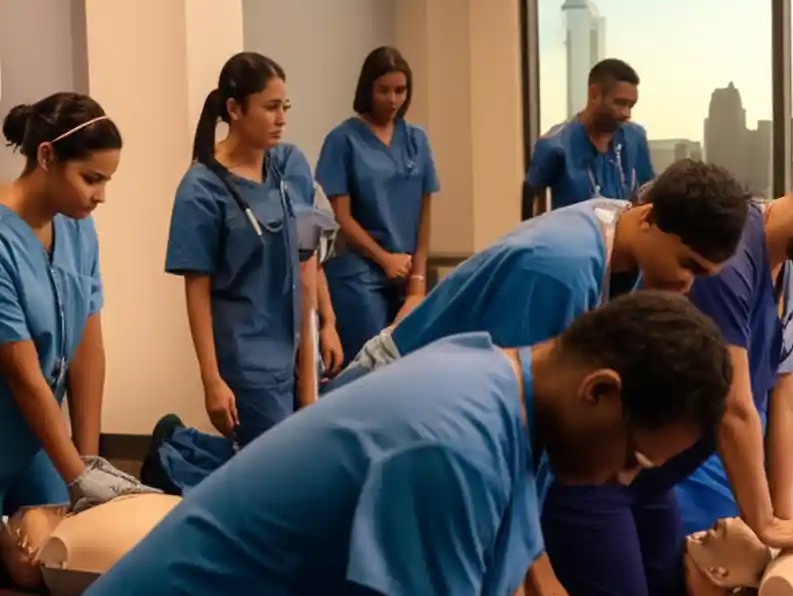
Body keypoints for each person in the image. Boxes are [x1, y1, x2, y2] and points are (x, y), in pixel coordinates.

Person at [42, 291, 733, 596]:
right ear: (600, 391)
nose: (625, 482)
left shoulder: (522, 406)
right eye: (635, 460)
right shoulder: (452, 442)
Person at [542, 155, 793, 596]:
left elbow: (788, 389)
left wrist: (785, 510)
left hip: (650, 478)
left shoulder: (789, 271)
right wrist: (765, 521)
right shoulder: (729, 257)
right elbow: (734, 407)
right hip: (602, 470)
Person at [327, 158, 748, 392]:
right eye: (687, 264)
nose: (687, 284)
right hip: (389, 394)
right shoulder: (560, 269)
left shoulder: (620, 232)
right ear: (649, 218)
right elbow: (515, 407)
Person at [144, 52, 334, 494]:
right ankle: (173, 463)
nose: (281, 119)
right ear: (234, 109)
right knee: (276, 480)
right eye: (270, 107)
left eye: (285, 107)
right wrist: (212, 379)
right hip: (246, 358)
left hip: (295, 343)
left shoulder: (290, 165)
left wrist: (326, 326)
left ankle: (179, 450)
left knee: (292, 459)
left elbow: (308, 257)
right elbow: (197, 290)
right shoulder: (202, 188)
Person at [0, 94, 154, 516]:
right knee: (26, 558)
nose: (100, 195)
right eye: (91, 178)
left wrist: (89, 467)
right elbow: (22, 373)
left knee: (80, 542)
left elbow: (88, 352)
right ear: (47, 156)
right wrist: (76, 480)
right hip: (12, 422)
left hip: (35, 444)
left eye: (106, 181)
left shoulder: (77, 230)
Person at [317, 46, 441, 362]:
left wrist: (417, 283)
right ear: (368, 89)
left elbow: (424, 214)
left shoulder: (417, 139)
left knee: (412, 359)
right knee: (371, 363)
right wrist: (385, 259)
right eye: (384, 90)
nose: (393, 99)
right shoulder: (343, 140)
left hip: (408, 270)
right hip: (358, 273)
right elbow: (340, 216)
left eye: (400, 90)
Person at [523, 58, 654, 218]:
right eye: (619, 103)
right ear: (594, 95)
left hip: (624, 239)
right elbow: (530, 197)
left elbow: (648, 194)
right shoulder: (555, 145)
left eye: (630, 106)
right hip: (575, 239)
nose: (626, 113)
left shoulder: (635, 137)